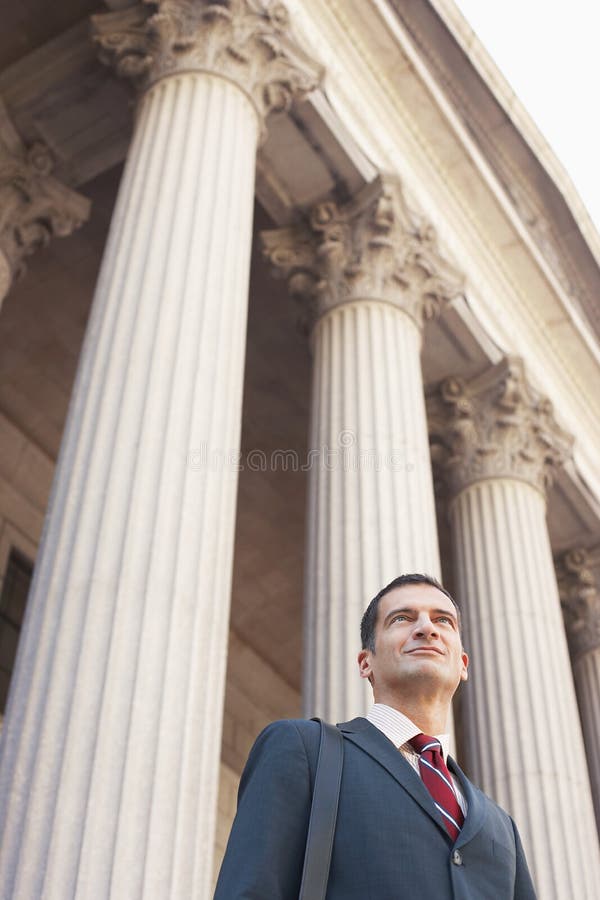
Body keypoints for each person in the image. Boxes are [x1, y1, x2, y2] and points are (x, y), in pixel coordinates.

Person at [214, 573, 537, 899]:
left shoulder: (501, 826)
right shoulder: (303, 748)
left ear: (463, 664)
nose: (427, 628)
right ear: (366, 662)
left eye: (443, 620)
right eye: (402, 618)